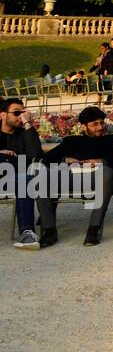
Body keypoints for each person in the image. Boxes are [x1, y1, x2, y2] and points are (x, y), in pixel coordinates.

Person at [36, 105, 113, 246]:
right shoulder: (72, 141)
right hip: (72, 178)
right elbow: (47, 157)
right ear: (84, 127)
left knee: (107, 172)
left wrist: (100, 161)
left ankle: (93, 229)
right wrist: (65, 159)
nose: (100, 127)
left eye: (101, 122)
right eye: (94, 124)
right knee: (42, 176)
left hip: (98, 178)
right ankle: (49, 231)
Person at [3, 98, 45, 249]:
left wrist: (28, 124)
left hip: (14, 179)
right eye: (16, 113)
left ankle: (27, 233)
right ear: (2, 115)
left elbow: (36, 154)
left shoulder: (25, 134)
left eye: (23, 112)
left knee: (24, 179)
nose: (20, 116)